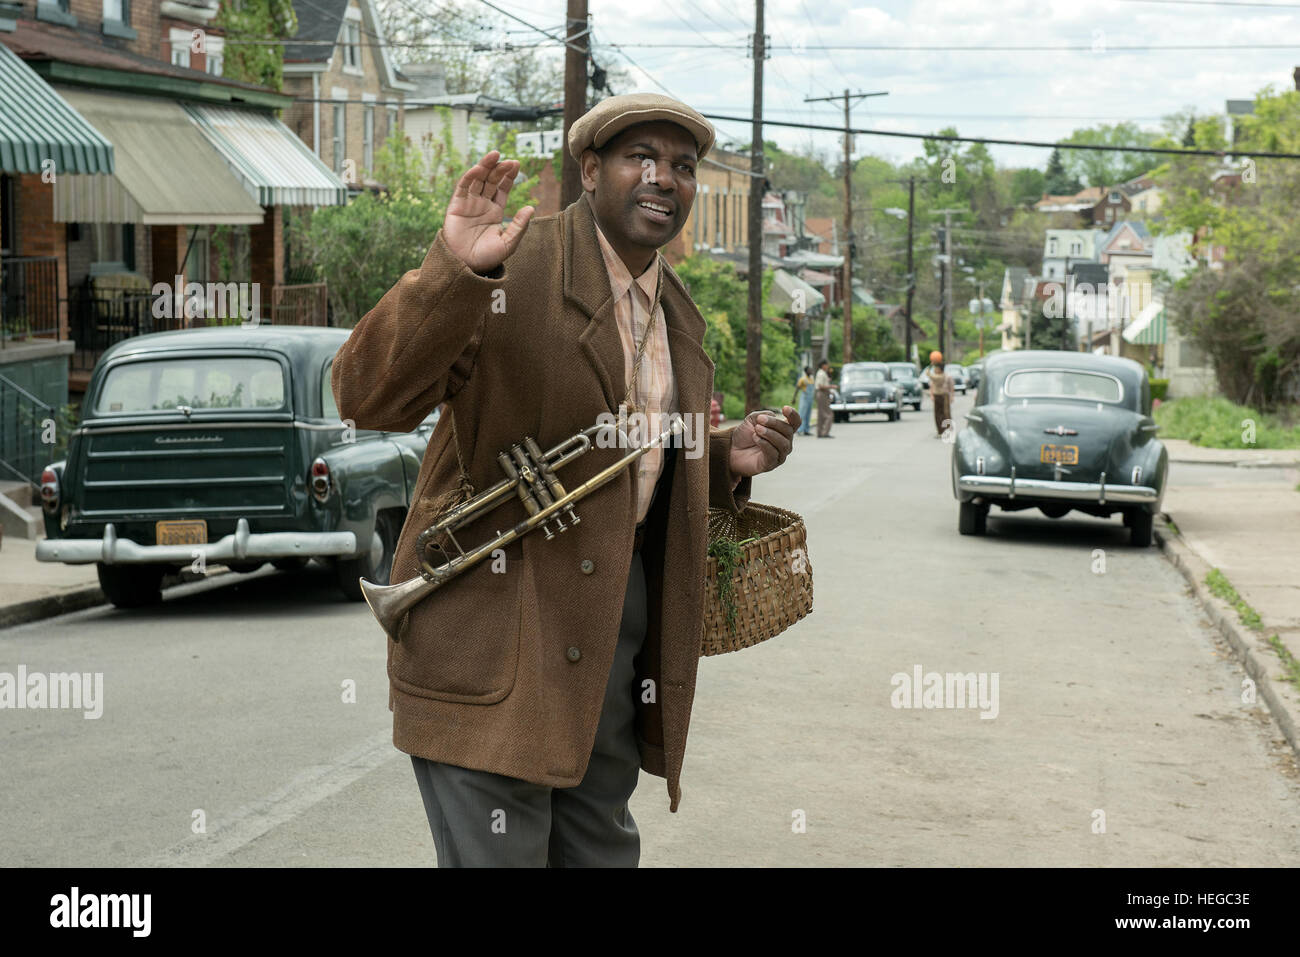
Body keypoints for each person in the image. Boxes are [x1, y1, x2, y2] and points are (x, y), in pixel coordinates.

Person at [331, 93, 801, 868]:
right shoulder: (511, 259)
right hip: (492, 642)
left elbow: (630, 452)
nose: (663, 178)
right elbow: (365, 395)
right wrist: (452, 270)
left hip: (610, 653)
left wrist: (722, 457)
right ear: (590, 170)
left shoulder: (677, 313)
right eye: (640, 158)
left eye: (682, 166)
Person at [930, 359, 954, 438]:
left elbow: (951, 387)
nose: (935, 370)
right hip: (937, 395)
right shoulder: (935, 377)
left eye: (936, 368)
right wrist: (932, 395)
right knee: (937, 414)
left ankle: (948, 431)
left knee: (946, 413)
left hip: (945, 395)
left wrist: (952, 396)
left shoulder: (945, 376)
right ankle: (940, 431)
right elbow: (932, 386)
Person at [814, 359, 835, 438]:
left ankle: (820, 432)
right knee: (829, 414)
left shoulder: (822, 373)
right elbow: (820, 386)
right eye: (827, 365)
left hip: (823, 394)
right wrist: (831, 386)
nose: (828, 366)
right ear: (823, 365)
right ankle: (824, 433)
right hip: (822, 394)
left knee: (821, 414)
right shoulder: (821, 373)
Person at [793, 366, 815, 436]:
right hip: (804, 398)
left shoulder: (811, 379)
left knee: (808, 414)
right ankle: (799, 430)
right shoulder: (802, 379)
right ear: (806, 371)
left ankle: (806, 430)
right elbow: (797, 388)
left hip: (810, 398)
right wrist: (794, 398)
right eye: (809, 370)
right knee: (802, 414)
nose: (811, 371)